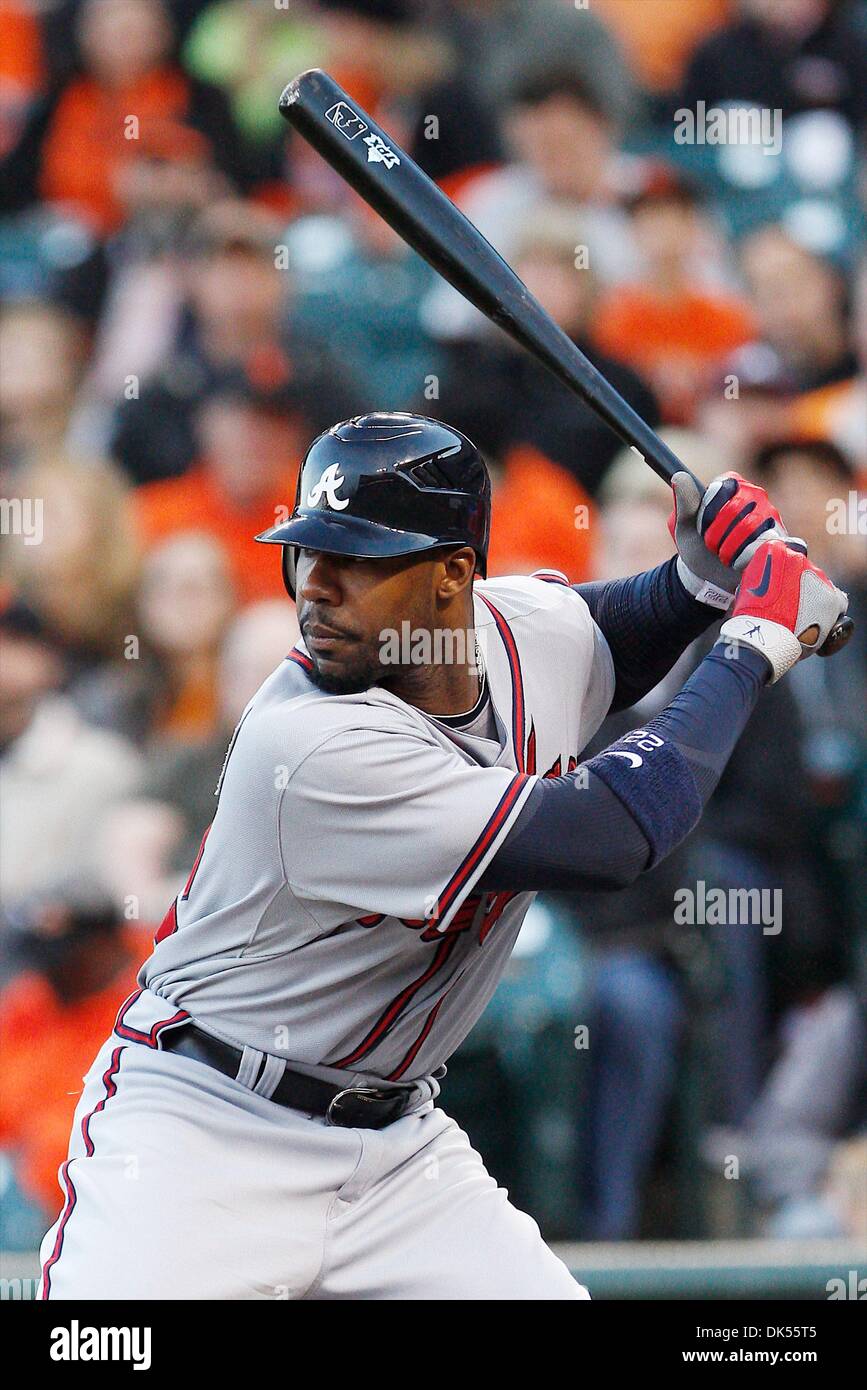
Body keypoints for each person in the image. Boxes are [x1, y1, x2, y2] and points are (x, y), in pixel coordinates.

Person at [39, 412, 849, 1301]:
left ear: (452, 577)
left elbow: (609, 630)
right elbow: (613, 831)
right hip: (205, 1131)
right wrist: (756, 640)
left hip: (394, 1153)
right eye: (308, 551)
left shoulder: (512, 630)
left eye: (358, 558)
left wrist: (702, 576)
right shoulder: (308, 746)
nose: (317, 586)